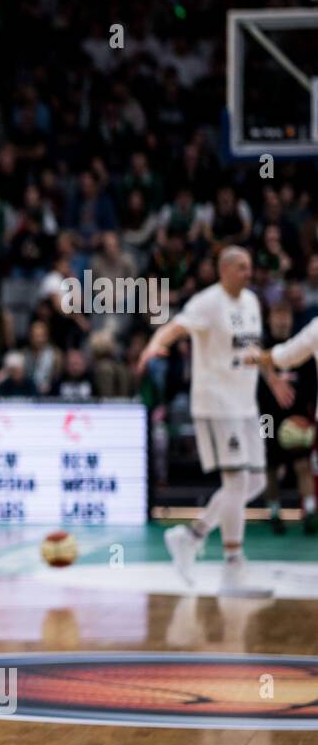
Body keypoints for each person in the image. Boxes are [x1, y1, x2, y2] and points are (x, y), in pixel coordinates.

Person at [139, 246, 288, 595]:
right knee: (237, 481)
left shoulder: (251, 302)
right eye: (241, 267)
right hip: (216, 405)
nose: (248, 273)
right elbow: (175, 326)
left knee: (254, 484)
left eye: (250, 267)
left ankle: (191, 536)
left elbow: (252, 350)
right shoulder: (207, 302)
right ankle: (233, 567)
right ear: (223, 270)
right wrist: (153, 344)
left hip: (246, 406)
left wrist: (273, 377)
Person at [249, 303, 318, 534]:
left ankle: (310, 512)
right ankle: (275, 512)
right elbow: (254, 366)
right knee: (270, 465)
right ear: (269, 319)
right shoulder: (261, 344)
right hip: (267, 415)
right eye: (277, 314)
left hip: (295, 413)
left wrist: (306, 416)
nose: (282, 320)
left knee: (302, 463)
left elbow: (310, 384)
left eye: (285, 314)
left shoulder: (304, 342)